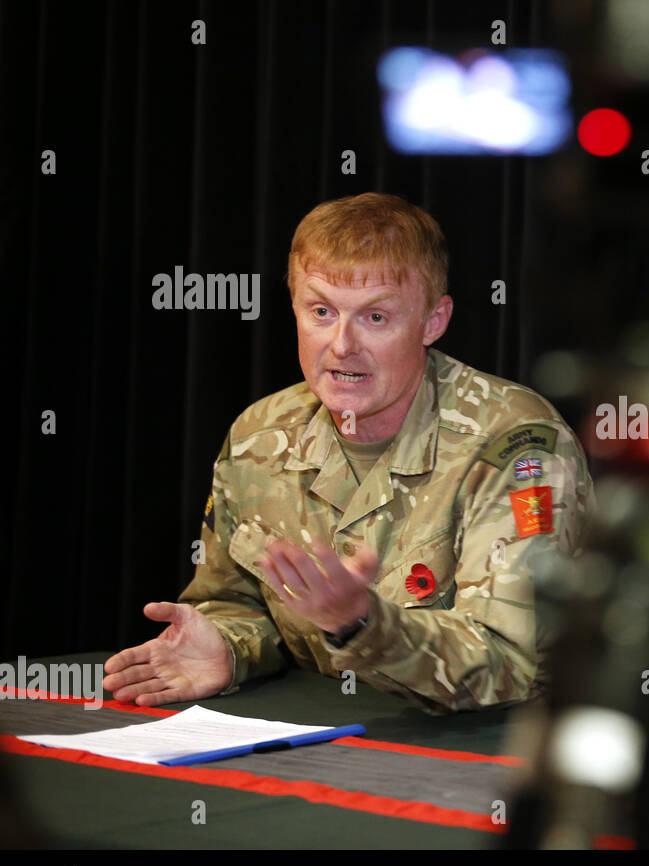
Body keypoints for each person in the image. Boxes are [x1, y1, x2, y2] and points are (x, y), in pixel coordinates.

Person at [104, 193, 593, 714]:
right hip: (330, 739)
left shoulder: (516, 446)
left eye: (376, 317)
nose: (341, 345)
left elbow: (509, 664)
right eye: (321, 311)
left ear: (433, 319)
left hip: (503, 752)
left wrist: (362, 625)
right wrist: (229, 646)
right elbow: (237, 603)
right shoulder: (259, 435)